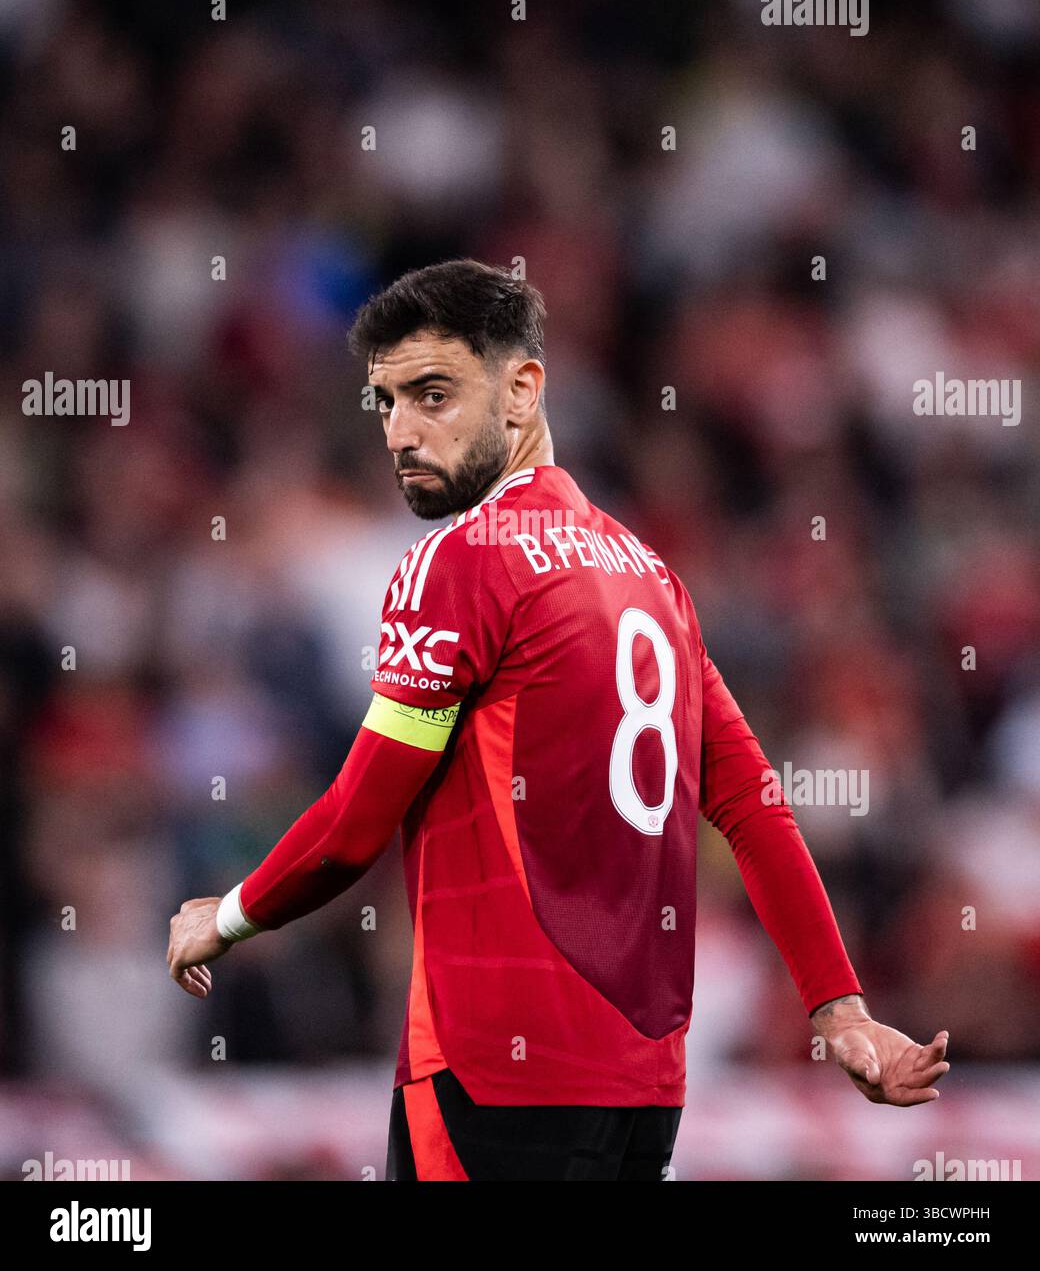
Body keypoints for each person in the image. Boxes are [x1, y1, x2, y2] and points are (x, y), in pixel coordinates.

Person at [167, 258, 951, 1181]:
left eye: (432, 394)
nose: (402, 433)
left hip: (492, 1072)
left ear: (522, 388)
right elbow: (753, 805)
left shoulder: (457, 562)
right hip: (641, 1094)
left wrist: (228, 914)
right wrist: (839, 1008)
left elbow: (356, 823)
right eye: (384, 403)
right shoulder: (651, 576)